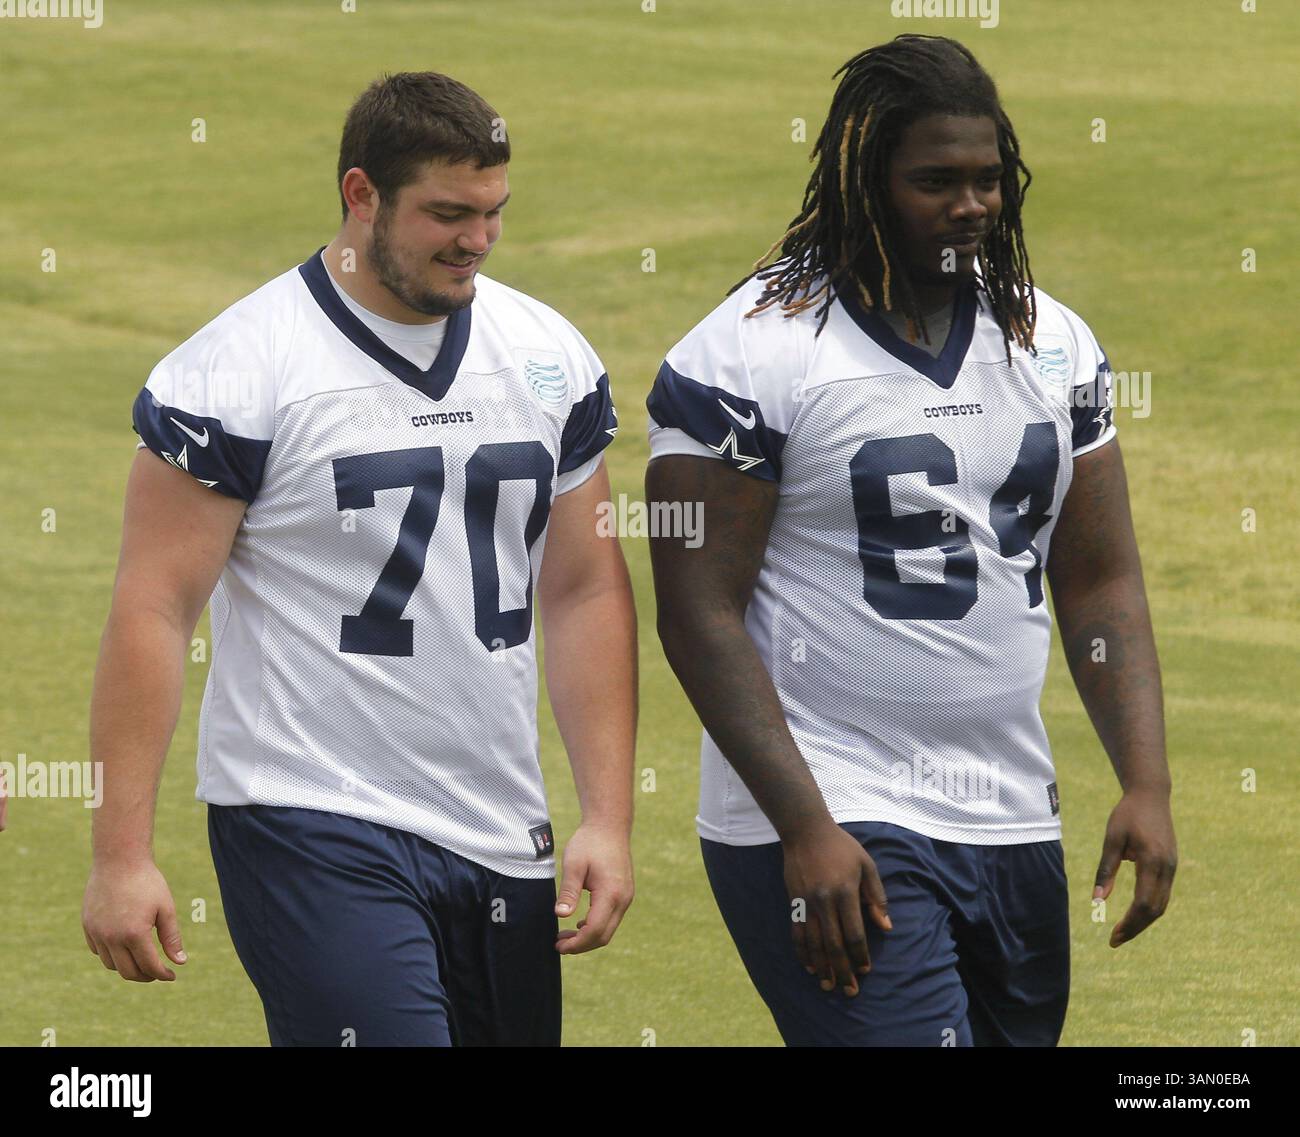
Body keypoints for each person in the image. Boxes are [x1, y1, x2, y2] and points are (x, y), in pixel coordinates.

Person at [82, 71, 637, 1047]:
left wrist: (607, 817)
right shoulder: (240, 370)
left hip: (500, 822)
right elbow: (153, 606)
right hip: (308, 816)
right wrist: (121, 854)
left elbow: (585, 587)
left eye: (494, 213)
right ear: (360, 195)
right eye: (447, 214)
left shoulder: (546, 354)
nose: (476, 240)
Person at [645, 35, 1176, 1046]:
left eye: (986, 180)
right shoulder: (754, 350)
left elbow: (1101, 581)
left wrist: (1144, 781)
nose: (969, 206)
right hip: (831, 807)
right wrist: (805, 826)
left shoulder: (1050, 342)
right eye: (934, 181)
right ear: (862, 179)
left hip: (1010, 807)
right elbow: (697, 610)